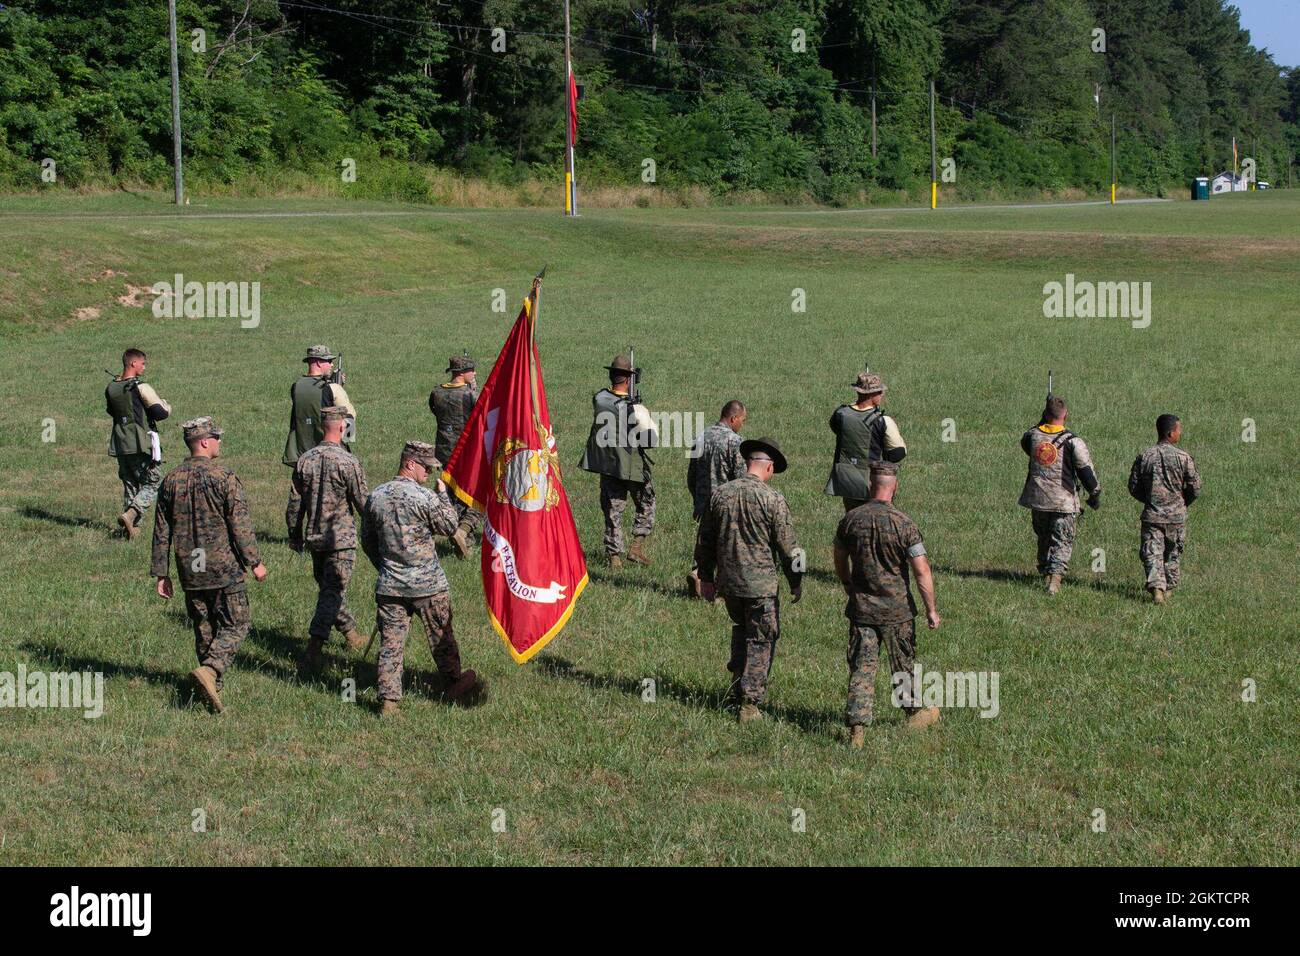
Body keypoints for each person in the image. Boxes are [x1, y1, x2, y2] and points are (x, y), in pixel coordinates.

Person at [151, 417, 268, 713]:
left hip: (190, 569)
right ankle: (212, 670)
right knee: (237, 623)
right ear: (204, 442)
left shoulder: (170, 480)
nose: (219, 441)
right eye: (215, 437)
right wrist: (254, 562)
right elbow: (239, 525)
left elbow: (160, 531)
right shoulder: (223, 477)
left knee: (204, 628)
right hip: (223, 567)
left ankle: (211, 689)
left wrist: (161, 573)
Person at [361, 441, 480, 715]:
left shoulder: (376, 496)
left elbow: (367, 540)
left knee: (391, 643)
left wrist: (385, 567)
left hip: (390, 586)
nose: (429, 473)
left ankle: (389, 701)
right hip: (428, 585)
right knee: (442, 638)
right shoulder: (424, 497)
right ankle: (453, 683)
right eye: (426, 467)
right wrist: (442, 496)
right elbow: (450, 526)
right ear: (409, 463)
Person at [694, 437, 804, 723]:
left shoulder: (720, 494)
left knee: (740, 630)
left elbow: (704, 539)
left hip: (729, 583)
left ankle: (735, 686)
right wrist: (796, 579)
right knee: (761, 640)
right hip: (761, 586)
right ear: (768, 468)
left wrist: (705, 577)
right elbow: (789, 547)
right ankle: (749, 704)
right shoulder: (772, 499)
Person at [833, 462, 941, 746]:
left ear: (870, 486)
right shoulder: (905, 523)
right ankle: (914, 712)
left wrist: (846, 583)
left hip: (862, 609)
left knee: (862, 668)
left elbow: (838, 557)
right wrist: (931, 609)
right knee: (903, 665)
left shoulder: (851, 520)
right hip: (897, 611)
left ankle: (857, 728)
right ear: (895, 488)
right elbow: (921, 570)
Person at [287, 405, 370, 665]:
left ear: (323, 427)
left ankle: (351, 634)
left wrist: (295, 534)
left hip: (315, 538)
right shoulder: (348, 461)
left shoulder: (305, 459)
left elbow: (294, 503)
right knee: (331, 593)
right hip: (341, 541)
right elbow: (363, 502)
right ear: (343, 427)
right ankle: (314, 646)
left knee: (329, 590)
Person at [579, 354, 657, 568]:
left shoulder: (599, 398)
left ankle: (614, 556)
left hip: (607, 464)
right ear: (629, 380)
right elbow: (651, 440)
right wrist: (639, 411)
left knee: (613, 510)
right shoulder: (633, 408)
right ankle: (636, 548)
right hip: (631, 466)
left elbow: (609, 402)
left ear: (611, 375)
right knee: (647, 503)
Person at [1018, 395, 1100, 594]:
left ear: (1045, 414)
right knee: (1062, 540)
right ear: (1067, 416)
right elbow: (1086, 472)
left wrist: (1042, 419)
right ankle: (1054, 580)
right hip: (1063, 501)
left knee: (1044, 538)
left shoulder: (1033, 437)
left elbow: (1025, 441)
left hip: (1038, 500)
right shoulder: (1073, 441)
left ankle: (1046, 572)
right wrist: (1095, 493)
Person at [1128, 414, 1202, 604]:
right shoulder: (1184, 458)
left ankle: (1157, 589)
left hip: (1152, 515)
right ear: (1170, 433)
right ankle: (1168, 587)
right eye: (1179, 430)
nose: (1180, 433)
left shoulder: (1145, 456)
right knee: (1172, 553)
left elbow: (1133, 486)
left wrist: (1149, 499)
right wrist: (1183, 502)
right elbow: (1195, 487)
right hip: (1176, 517)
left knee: (1152, 552)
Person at [106, 348, 171, 539]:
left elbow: (112, 411)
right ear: (133, 363)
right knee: (153, 481)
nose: (144, 366)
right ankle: (131, 513)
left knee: (130, 484)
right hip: (140, 441)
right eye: (143, 363)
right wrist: (166, 405)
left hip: (119, 442)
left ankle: (131, 530)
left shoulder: (111, 387)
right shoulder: (140, 387)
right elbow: (160, 413)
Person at [684, 400, 747, 597]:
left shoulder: (700, 437)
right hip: (727, 505)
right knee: (726, 548)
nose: (742, 425)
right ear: (733, 418)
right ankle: (720, 590)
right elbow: (741, 479)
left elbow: (691, 476)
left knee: (704, 543)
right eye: (742, 420)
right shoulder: (735, 442)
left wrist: (698, 500)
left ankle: (698, 575)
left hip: (704, 504)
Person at [825, 371, 906, 511]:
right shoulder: (882, 420)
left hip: (847, 481)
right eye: (880, 392)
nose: (882, 395)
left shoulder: (840, 414)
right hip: (874, 483)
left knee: (852, 518)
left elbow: (835, 428)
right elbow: (898, 454)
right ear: (871, 394)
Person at [428, 352, 482, 558]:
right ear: (462, 373)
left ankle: (439, 529)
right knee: (473, 492)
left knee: (449, 492)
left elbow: (435, 411)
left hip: (443, 450)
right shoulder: (470, 395)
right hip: (466, 451)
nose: (474, 373)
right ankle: (463, 531)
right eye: (471, 370)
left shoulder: (436, 393)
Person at [282, 344, 356, 468]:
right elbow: (350, 415)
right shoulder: (333, 388)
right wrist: (348, 440)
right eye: (328, 361)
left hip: (303, 456)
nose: (332, 364)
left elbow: (314, 402)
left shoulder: (296, 387)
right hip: (332, 457)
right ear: (318, 362)